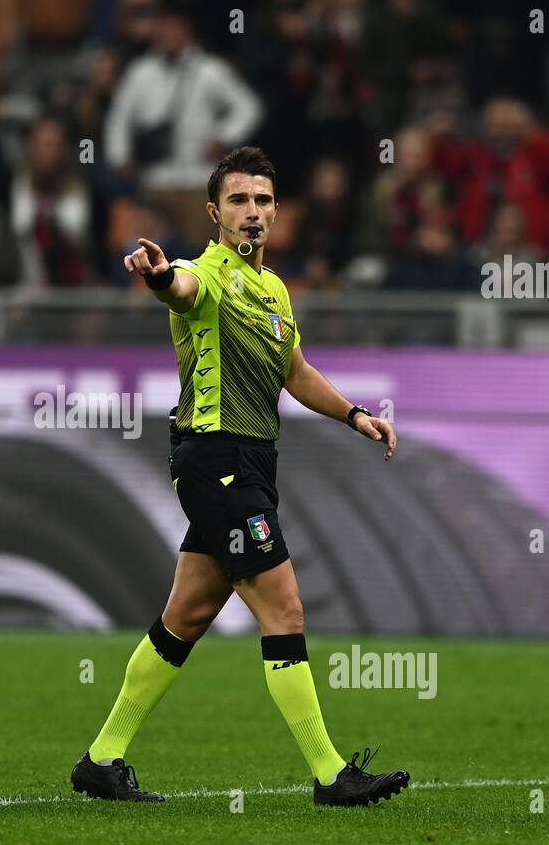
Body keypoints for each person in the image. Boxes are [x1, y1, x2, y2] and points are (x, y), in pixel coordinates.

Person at [71, 147, 410, 807]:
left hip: (254, 461)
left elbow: (296, 372)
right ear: (214, 212)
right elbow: (179, 288)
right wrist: (158, 274)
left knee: (186, 616)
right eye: (238, 201)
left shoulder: (276, 290)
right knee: (283, 607)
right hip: (214, 461)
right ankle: (330, 773)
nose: (252, 212)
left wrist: (355, 415)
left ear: (276, 211)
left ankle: (102, 760)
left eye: (262, 201)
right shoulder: (206, 274)